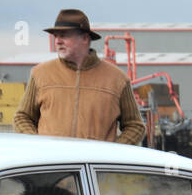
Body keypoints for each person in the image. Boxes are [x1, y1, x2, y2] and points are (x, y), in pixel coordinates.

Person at [13, 8, 146, 145]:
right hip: (51, 164)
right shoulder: (40, 74)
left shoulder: (118, 79)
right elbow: (22, 117)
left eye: (64, 35)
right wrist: (38, 145)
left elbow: (135, 126)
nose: (57, 41)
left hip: (96, 165)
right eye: (56, 36)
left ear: (85, 38)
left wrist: (112, 153)